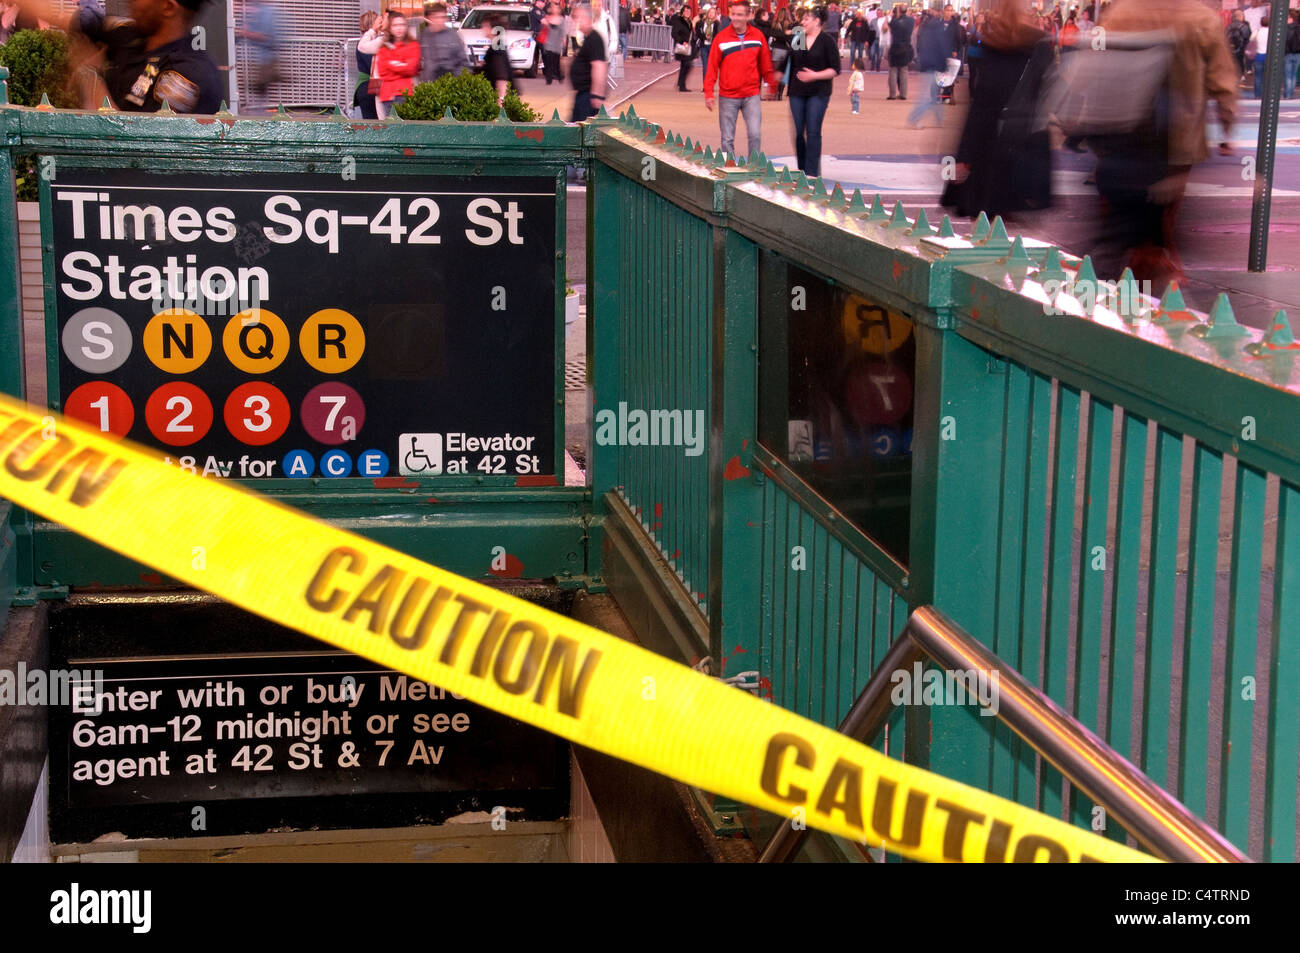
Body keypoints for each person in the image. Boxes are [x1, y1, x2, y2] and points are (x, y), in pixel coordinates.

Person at [1091, 0, 1238, 286]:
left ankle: (1131, 267)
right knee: (1167, 206)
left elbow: (1096, 67)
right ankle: (1154, 265)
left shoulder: (1121, 13)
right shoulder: (1201, 18)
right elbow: (1223, 80)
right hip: (1180, 135)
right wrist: (1226, 123)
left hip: (1123, 131)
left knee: (1120, 206)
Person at [941, 0, 1050, 221]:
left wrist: (963, 155)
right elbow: (1050, 93)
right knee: (1014, 220)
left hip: (990, 142)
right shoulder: (1040, 45)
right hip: (1024, 142)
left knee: (985, 220)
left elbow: (980, 103)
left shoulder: (993, 45)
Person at [15, 0, 223, 114]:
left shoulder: (188, 75)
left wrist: (90, 75)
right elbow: (61, 16)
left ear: (168, 7)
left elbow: (127, 142)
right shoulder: (128, 36)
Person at [703, 0, 779, 159]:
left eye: (739, 15)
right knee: (727, 139)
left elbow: (765, 63)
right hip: (728, 95)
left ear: (748, 16)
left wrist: (772, 85)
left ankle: (754, 167)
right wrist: (708, 93)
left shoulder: (758, 37)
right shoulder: (721, 38)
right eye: (733, 14)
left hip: (751, 94)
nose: (735, 18)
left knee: (755, 134)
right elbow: (711, 68)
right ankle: (728, 170)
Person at [787, 6, 840, 176]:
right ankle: (802, 169)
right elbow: (791, 61)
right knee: (798, 133)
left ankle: (811, 173)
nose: (802, 22)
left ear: (817, 21)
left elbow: (835, 69)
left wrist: (815, 75)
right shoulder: (799, 38)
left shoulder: (827, 41)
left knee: (813, 131)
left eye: (806, 19)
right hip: (797, 90)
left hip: (819, 91)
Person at [375, 11, 419, 118]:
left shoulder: (413, 45)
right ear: (390, 27)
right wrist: (402, 65)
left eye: (402, 25)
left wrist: (392, 65)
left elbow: (411, 69)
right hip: (387, 95)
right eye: (395, 25)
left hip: (405, 93)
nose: (399, 28)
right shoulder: (383, 47)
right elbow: (382, 72)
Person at [907, 3, 946, 125]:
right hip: (932, 64)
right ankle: (914, 118)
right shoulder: (936, 26)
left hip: (928, 63)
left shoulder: (927, 25)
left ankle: (940, 120)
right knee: (928, 96)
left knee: (933, 94)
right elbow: (940, 46)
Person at [570, 1, 608, 121]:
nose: (576, 21)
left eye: (579, 18)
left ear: (587, 18)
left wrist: (597, 95)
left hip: (588, 96)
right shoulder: (588, 38)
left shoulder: (594, 39)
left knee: (580, 131)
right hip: (584, 94)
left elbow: (599, 67)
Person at [419, 1, 469, 83]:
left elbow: (464, 63)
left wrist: (455, 79)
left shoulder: (453, 36)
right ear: (430, 18)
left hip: (449, 85)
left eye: (442, 17)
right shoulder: (423, 37)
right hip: (428, 85)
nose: (440, 20)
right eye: (436, 17)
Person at [355, 10, 386, 120]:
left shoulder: (366, 42)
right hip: (369, 88)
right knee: (373, 124)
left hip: (369, 86)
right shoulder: (365, 45)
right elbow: (373, 67)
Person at [480, 12, 513, 103]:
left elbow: (501, 79)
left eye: (485, 26)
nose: (482, 28)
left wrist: (500, 102)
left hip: (497, 101)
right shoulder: (496, 47)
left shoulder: (497, 50)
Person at [887, 2, 914, 99]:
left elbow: (888, 27)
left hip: (895, 46)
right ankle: (903, 94)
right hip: (906, 47)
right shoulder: (911, 21)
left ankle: (892, 94)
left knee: (893, 71)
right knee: (904, 71)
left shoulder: (894, 21)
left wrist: (893, 16)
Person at [541, 1, 568, 85]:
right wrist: (544, 23)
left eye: (555, 8)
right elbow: (544, 28)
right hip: (549, 43)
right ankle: (549, 79)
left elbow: (563, 31)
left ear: (558, 10)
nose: (553, 10)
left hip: (557, 43)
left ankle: (559, 76)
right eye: (552, 8)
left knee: (556, 62)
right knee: (548, 61)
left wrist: (564, 41)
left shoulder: (561, 19)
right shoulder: (548, 17)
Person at [669, 2, 694, 91]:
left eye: (689, 11)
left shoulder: (689, 22)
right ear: (682, 12)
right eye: (686, 11)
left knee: (686, 65)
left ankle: (681, 83)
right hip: (682, 46)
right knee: (686, 65)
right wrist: (682, 41)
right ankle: (681, 85)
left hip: (687, 46)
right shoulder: (679, 21)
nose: (687, 13)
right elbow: (674, 33)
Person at [1227, 9, 1251, 82]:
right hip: (1241, 48)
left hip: (1230, 48)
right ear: (1241, 17)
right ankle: (1240, 75)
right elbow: (1248, 37)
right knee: (1240, 60)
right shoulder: (1244, 26)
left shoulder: (1228, 26)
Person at [1248, 15, 1269, 99]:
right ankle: (1266, 93)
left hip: (1258, 56)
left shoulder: (1257, 31)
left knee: (1258, 77)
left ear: (1261, 23)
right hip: (1268, 56)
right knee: (1267, 77)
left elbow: (1251, 40)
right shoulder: (1272, 32)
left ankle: (1257, 94)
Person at [1287, 8, 1300, 100]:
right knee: (1294, 74)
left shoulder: (1287, 28)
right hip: (1298, 53)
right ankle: (1290, 93)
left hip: (1288, 53)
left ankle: (1287, 94)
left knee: (1288, 74)